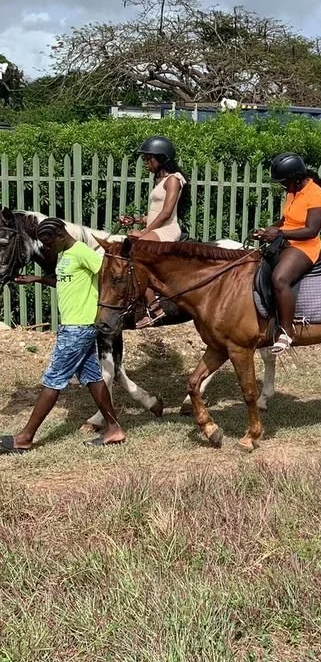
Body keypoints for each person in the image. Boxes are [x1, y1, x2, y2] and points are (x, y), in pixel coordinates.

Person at [0, 218, 126, 452]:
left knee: (53, 380)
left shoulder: (82, 252)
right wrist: (37, 279)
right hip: (72, 326)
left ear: (61, 235)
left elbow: (110, 275)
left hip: (80, 326)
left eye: (49, 244)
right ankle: (114, 428)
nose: (47, 249)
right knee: (93, 379)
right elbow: (66, 281)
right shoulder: (63, 254)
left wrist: (103, 309)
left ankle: (25, 437)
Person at [254, 153, 321, 354]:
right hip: (285, 241)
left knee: (280, 278)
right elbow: (286, 220)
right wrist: (266, 230)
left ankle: (287, 332)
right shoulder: (293, 191)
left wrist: (279, 233)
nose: (282, 186)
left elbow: (311, 230)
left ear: (296, 178)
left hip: (305, 246)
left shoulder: (316, 194)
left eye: (284, 182)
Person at [121, 136, 191, 328]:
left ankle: (155, 308)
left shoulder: (174, 180)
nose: (146, 163)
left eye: (148, 159)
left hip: (167, 230)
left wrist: (144, 233)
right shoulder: (159, 180)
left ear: (162, 158)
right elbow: (155, 214)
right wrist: (135, 220)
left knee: (136, 252)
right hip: (158, 227)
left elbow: (167, 213)